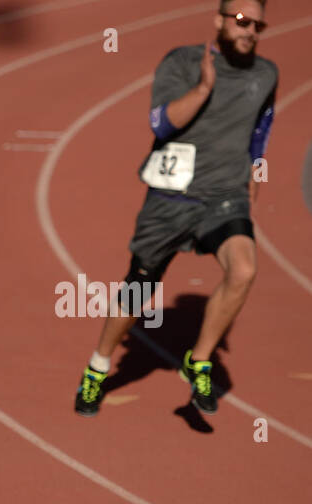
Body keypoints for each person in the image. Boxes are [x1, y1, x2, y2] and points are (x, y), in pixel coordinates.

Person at [74, 0, 277, 417]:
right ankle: (98, 367)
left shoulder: (266, 73)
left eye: (258, 24)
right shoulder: (182, 62)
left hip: (224, 196)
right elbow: (161, 125)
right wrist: (203, 88)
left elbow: (261, 128)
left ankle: (198, 360)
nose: (249, 30)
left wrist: (257, 170)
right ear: (219, 20)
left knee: (244, 269)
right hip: (170, 198)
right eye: (241, 20)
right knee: (138, 289)